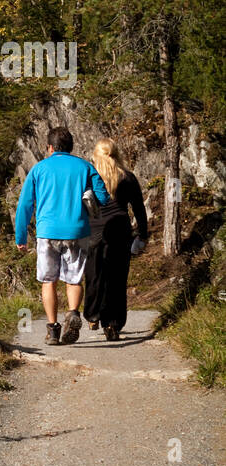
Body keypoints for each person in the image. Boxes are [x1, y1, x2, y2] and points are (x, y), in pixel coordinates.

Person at [15, 126, 110, 346]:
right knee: (74, 278)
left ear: (49, 147)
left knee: (49, 281)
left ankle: (53, 331)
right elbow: (103, 198)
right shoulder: (85, 166)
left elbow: (25, 206)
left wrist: (21, 237)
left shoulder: (39, 169)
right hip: (77, 231)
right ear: (71, 147)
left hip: (47, 233)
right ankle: (73, 313)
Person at [82, 139, 149, 340]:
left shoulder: (88, 179)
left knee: (94, 276)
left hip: (93, 232)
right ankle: (112, 324)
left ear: (96, 156)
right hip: (121, 230)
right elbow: (139, 209)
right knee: (117, 279)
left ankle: (93, 315)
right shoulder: (127, 178)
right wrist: (142, 236)